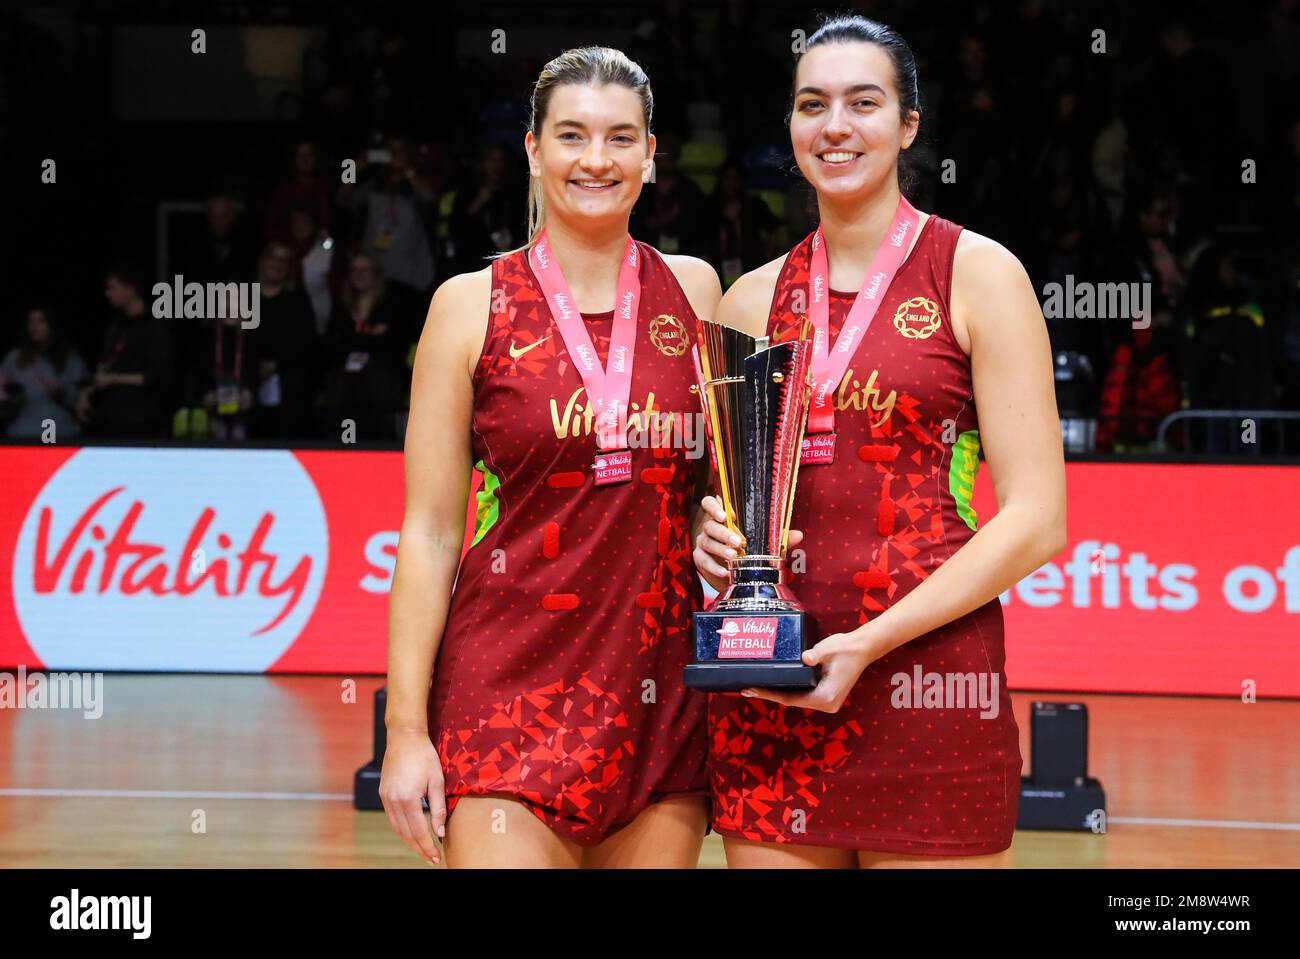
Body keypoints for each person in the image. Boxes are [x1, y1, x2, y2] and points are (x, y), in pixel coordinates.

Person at [693, 15, 1066, 868]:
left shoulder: (977, 274)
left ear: (908, 125)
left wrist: (869, 642)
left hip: (933, 684)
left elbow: (1039, 519)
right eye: (812, 104)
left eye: (865, 103)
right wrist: (707, 538)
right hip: (774, 687)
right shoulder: (748, 302)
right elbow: (728, 504)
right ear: (790, 128)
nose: (835, 126)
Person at [381, 46, 721, 868]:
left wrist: (722, 525)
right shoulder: (468, 306)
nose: (596, 159)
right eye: (571, 136)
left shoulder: (698, 292)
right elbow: (429, 533)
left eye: (620, 137)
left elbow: (729, 489)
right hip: (505, 690)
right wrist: (403, 732)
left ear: (650, 153)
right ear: (533, 150)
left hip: (659, 697)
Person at [76, 267, 173, 439]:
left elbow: (158, 376)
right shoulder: (116, 326)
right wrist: (88, 392)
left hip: (141, 422)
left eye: (113, 288)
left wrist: (114, 379)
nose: (108, 294)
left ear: (130, 288)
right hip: (110, 419)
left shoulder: (153, 326)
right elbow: (107, 365)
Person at [0, 305, 88, 440]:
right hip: (22, 432)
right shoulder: (14, 359)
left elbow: (81, 399)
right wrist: (12, 400)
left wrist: (61, 392)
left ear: (51, 325)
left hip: (59, 431)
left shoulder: (69, 359)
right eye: (31, 322)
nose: (34, 327)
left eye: (41, 321)